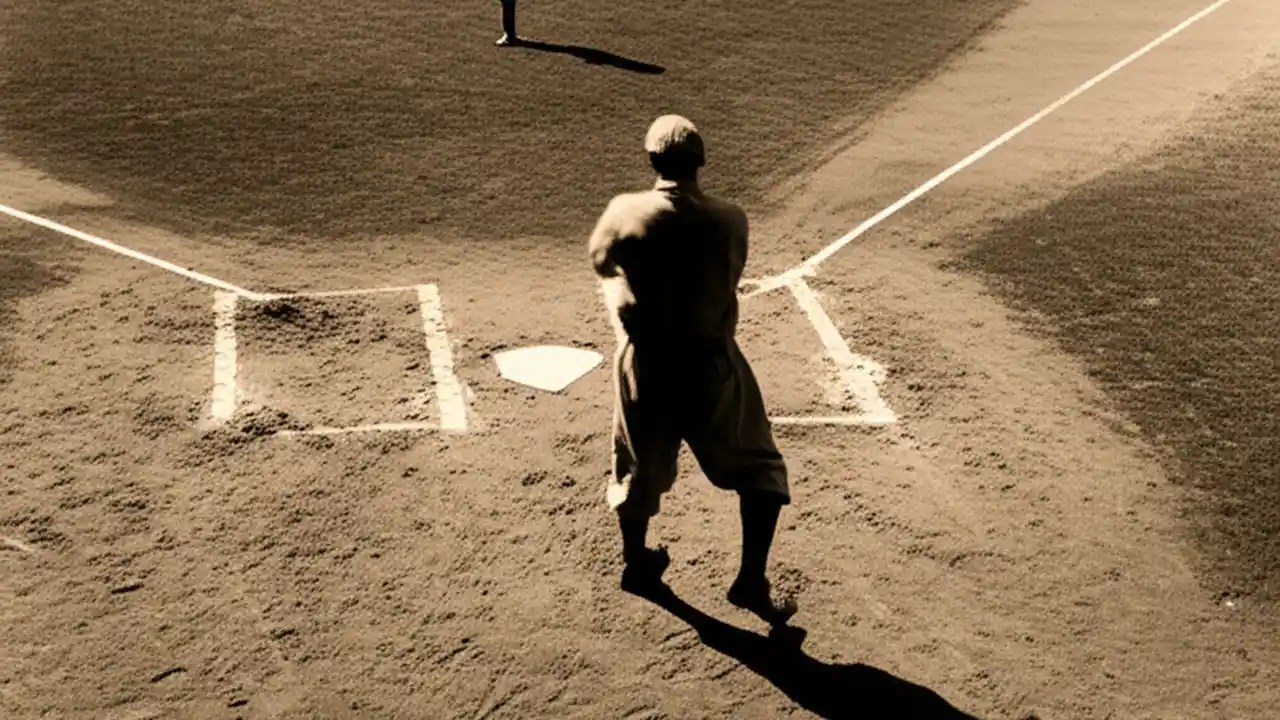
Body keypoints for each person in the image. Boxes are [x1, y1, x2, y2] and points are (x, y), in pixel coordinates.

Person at [588, 115, 798, 626]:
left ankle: (638, 563)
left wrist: (626, 297)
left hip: (647, 367)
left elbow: (600, 262)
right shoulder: (731, 219)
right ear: (700, 162)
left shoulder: (624, 211)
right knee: (760, 469)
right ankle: (751, 579)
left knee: (638, 467)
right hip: (711, 368)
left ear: (652, 161)